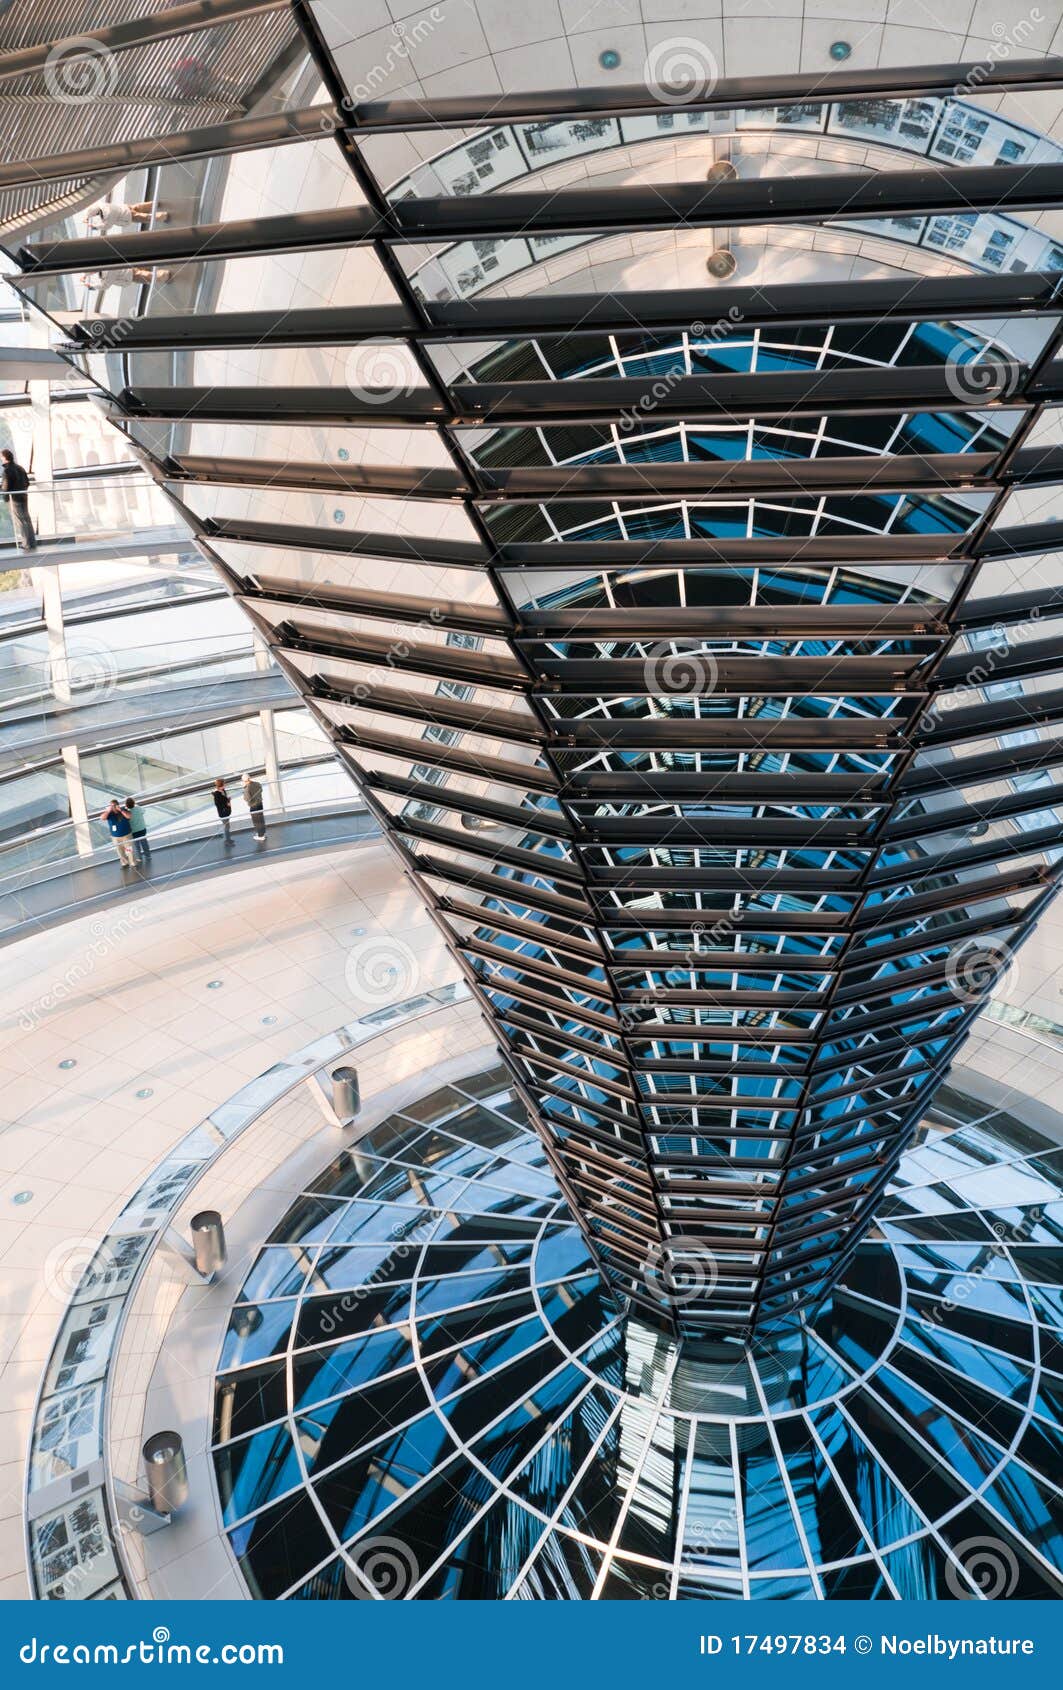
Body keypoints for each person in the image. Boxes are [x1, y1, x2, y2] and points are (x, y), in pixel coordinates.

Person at [1, 448, 36, 551]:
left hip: (14, 499)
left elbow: (6, 488)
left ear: (4, 458)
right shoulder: (20, 467)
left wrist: (4, 494)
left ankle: (26, 544)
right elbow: (27, 482)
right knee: (27, 519)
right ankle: (32, 542)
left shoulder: (7, 470)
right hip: (23, 496)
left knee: (21, 521)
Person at [101, 799, 135, 868]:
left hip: (126, 835)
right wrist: (108, 811)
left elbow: (129, 816)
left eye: (114, 805)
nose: (113, 807)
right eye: (111, 806)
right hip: (115, 837)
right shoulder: (109, 813)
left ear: (117, 805)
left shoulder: (123, 810)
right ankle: (124, 863)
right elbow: (102, 818)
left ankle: (132, 863)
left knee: (129, 850)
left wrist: (121, 810)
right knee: (120, 851)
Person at [242, 772, 266, 842]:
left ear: (244, 781)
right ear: (249, 778)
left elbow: (247, 799)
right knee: (261, 819)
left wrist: (245, 793)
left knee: (256, 821)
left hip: (254, 806)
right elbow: (261, 790)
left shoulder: (247, 789)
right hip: (260, 804)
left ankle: (260, 836)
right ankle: (262, 833)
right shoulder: (257, 783)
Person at [125, 796, 150, 863]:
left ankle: (139, 858)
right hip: (142, 829)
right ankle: (148, 855)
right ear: (134, 803)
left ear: (126, 805)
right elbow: (144, 811)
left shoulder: (127, 812)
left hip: (134, 831)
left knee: (136, 845)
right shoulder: (138, 808)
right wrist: (136, 805)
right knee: (144, 842)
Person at [213, 778, 233, 844]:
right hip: (223, 812)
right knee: (226, 826)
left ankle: (228, 839)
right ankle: (227, 840)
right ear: (221, 784)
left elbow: (224, 799)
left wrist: (228, 800)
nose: (225, 784)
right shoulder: (217, 794)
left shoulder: (223, 790)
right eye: (224, 783)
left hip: (226, 811)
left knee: (227, 826)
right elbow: (217, 804)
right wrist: (226, 803)